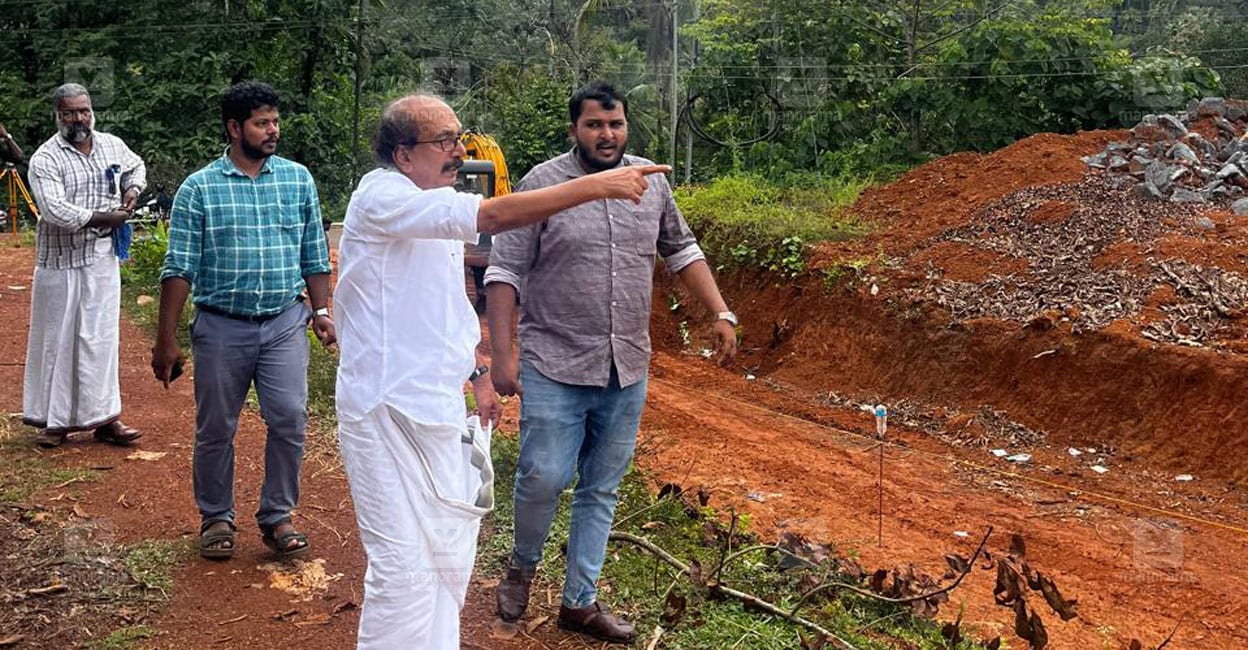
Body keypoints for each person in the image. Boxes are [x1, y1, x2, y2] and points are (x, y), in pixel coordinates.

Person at [333, 92, 670, 650]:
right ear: (403, 154)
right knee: (400, 561)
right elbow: (492, 215)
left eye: (458, 137)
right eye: (444, 141)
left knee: (448, 551)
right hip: (384, 410)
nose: (459, 150)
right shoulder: (382, 197)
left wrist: (478, 374)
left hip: (438, 409)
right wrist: (598, 186)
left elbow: (445, 309)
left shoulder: (435, 201)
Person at [486, 81, 739, 644]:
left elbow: (682, 249)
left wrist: (720, 310)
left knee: (601, 487)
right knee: (543, 477)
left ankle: (579, 602)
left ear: (627, 126)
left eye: (616, 124)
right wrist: (503, 357)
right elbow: (504, 272)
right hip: (554, 361)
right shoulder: (542, 184)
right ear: (574, 129)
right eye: (595, 125)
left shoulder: (652, 182)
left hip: (626, 365)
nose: (607, 134)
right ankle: (522, 567)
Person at [150, 81, 334, 561]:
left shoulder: (297, 179)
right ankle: (216, 517)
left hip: (283, 321)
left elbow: (314, 252)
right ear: (234, 128)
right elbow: (179, 267)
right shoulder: (199, 189)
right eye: (261, 123)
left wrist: (321, 312)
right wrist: (166, 339)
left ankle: (278, 515)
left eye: (275, 121)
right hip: (221, 325)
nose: (273, 130)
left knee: (290, 416)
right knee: (216, 426)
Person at [22, 83, 145, 449]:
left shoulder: (111, 145)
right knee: (58, 342)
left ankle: (105, 418)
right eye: (69, 113)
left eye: (83, 111)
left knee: (100, 341)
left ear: (92, 112)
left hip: (102, 260)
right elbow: (54, 210)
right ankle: (55, 422)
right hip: (61, 263)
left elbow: (136, 166)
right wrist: (106, 218)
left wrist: (131, 192)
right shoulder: (46, 158)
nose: (78, 119)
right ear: (58, 116)